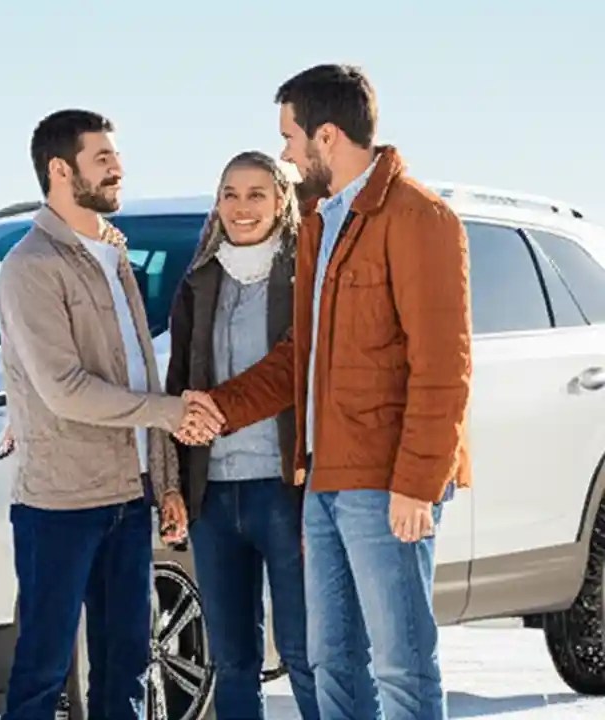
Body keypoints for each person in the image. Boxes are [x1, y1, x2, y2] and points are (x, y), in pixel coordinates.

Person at [179, 64, 472, 720]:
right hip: (324, 482)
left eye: (289, 137)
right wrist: (220, 408)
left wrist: (419, 482)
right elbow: (297, 361)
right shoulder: (320, 224)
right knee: (331, 660)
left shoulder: (419, 219)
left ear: (327, 137)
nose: (285, 153)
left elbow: (443, 366)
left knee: (402, 663)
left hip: (388, 483)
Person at [0, 108, 195, 720]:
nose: (118, 169)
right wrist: (169, 414)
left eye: (116, 157)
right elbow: (66, 390)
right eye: (102, 158)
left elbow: (138, 373)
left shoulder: (113, 257)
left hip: (126, 500)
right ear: (60, 169)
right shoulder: (30, 269)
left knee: (128, 666)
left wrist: (164, 483)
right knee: (43, 671)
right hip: (58, 505)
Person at [165, 150, 319, 720]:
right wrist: (174, 483)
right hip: (213, 498)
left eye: (257, 193)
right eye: (230, 193)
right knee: (231, 661)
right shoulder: (200, 282)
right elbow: (179, 383)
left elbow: (302, 376)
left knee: (306, 653)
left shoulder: (303, 277)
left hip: (282, 492)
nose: (241, 206)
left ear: (282, 202)